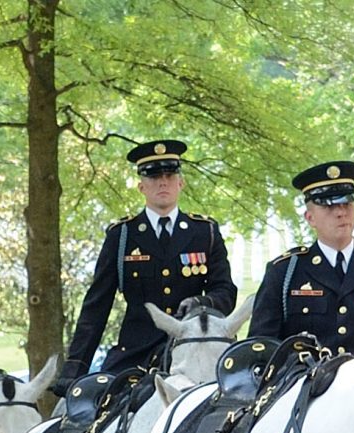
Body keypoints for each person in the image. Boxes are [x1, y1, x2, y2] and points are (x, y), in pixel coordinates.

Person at [61, 139, 237, 389]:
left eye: (169, 174)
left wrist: (200, 303)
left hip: (192, 349)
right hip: (135, 353)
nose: (162, 182)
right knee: (95, 410)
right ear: (141, 186)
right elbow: (96, 306)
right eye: (153, 176)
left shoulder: (205, 232)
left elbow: (225, 292)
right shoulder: (122, 236)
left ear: (180, 183)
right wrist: (74, 368)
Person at [249, 160, 354, 355]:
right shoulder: (285, 272)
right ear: (310, 218)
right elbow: (260, 347)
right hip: (309, 383)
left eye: (347, 204)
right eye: (329, 207)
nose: (341, 212)